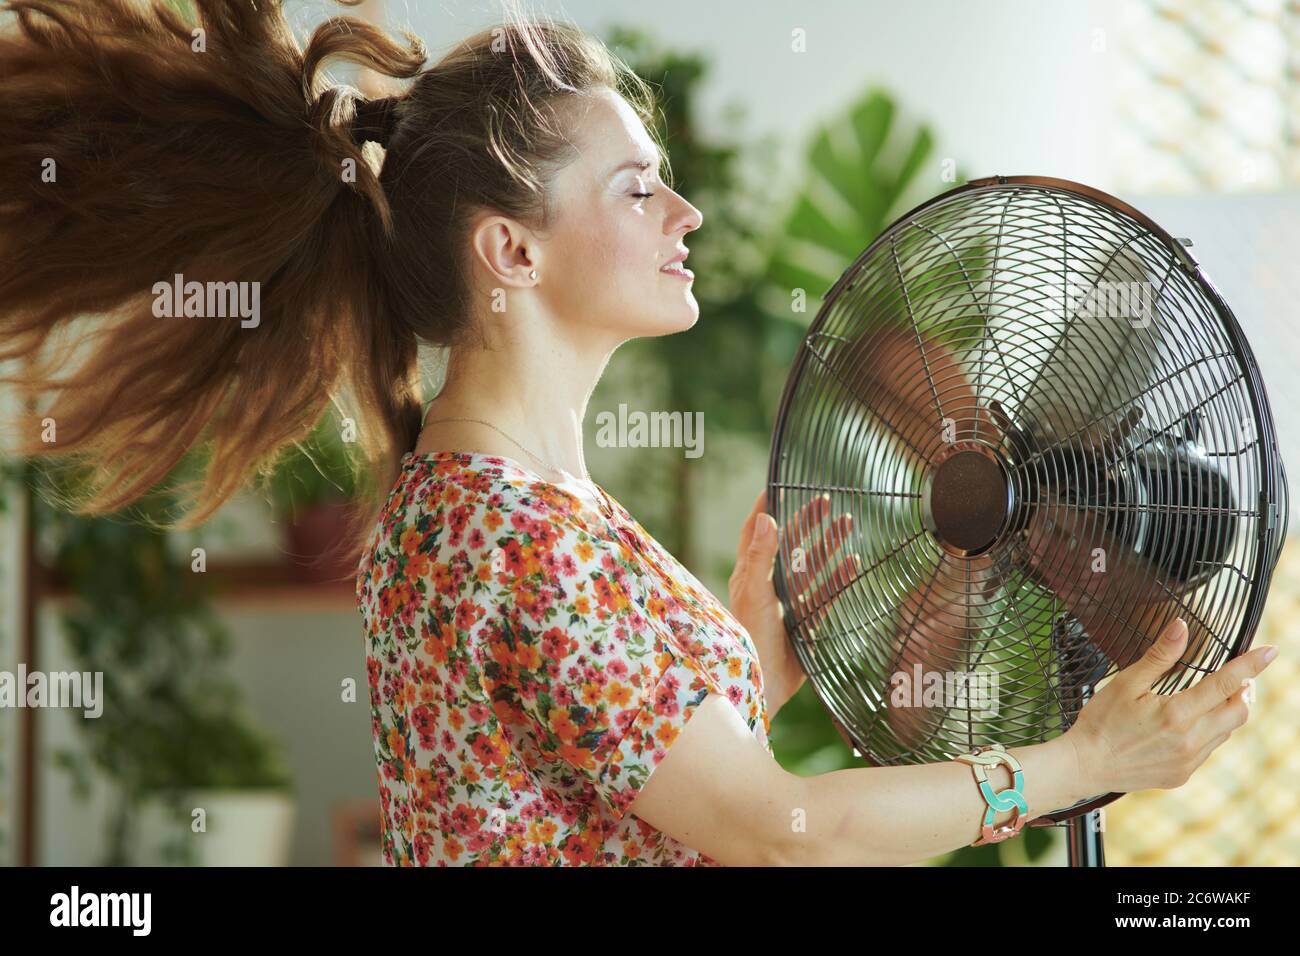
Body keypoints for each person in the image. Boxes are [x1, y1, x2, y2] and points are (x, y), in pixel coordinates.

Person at [0, 0, 1278, 867]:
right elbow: (777, 830)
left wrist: (745, 678)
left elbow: (608, 801)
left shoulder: (513, 508)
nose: (686, 214)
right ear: (509, 249)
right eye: (635, 186)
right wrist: (1074, 759)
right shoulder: (509, 533)